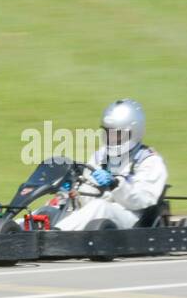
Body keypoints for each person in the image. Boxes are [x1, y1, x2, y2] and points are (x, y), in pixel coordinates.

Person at [55, 99, 167, 231]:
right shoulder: (101, 155)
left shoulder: (149, 160)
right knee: (58, 204)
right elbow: (89, 192)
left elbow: (141, 200)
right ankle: (26, 228)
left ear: (134, 132)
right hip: (100, 211)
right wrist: (74, 189)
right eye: (108, 133)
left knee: (100, 206)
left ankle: (53, 234)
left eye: (116, 134)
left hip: (131, 218)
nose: (110, 139)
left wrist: (115, 184)